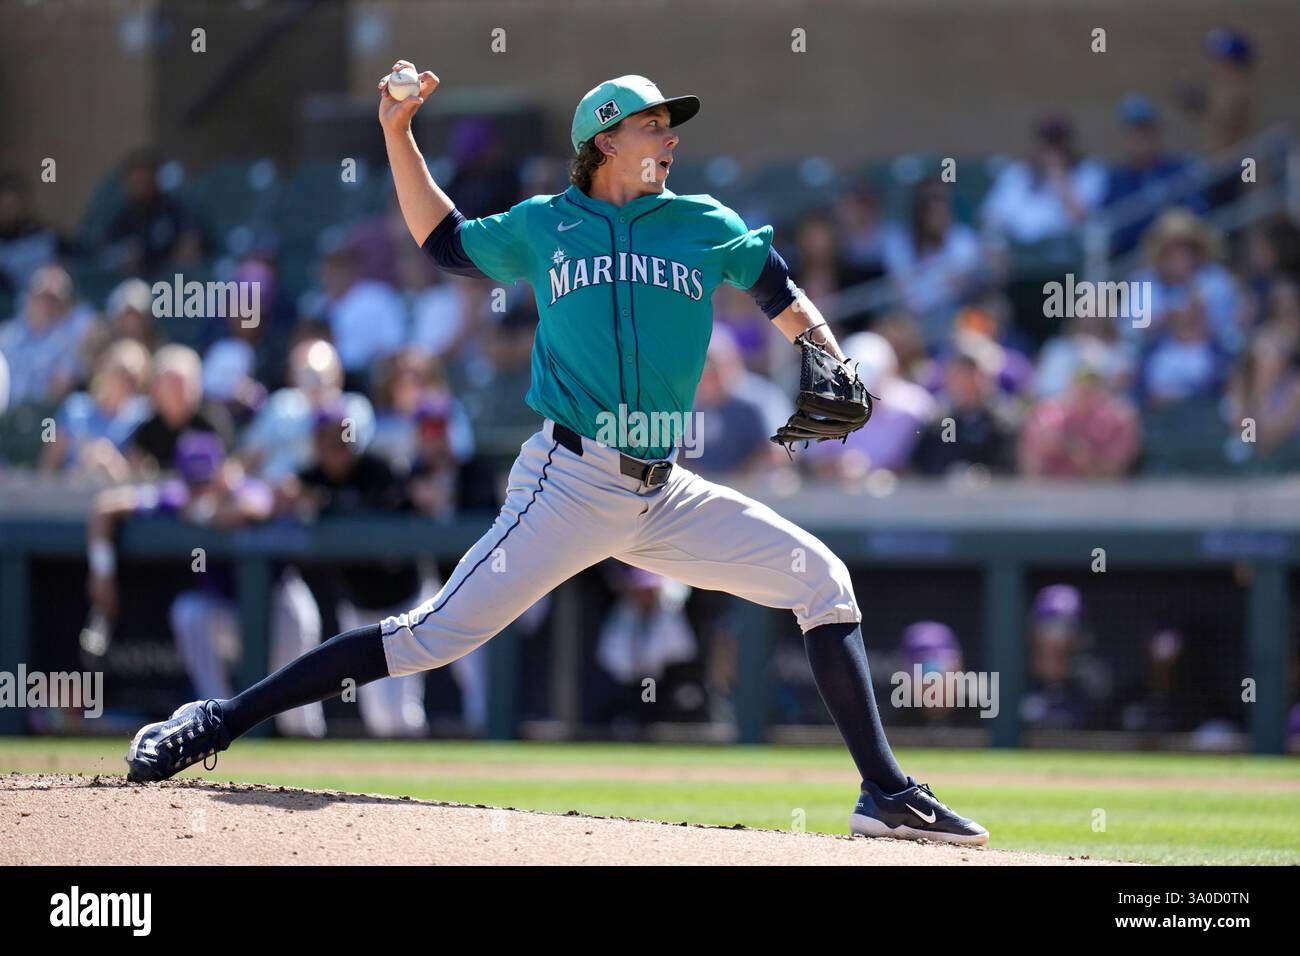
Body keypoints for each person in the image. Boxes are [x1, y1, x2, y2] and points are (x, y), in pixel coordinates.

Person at [123, 67, 987, 846]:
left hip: (664, 490)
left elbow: (777, 285)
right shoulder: (547, 224)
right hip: (566, 482)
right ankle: (216, 721)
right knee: (428, 638)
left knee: (822, 581)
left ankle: (885, 793)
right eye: (653, 124)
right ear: (605, 138)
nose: (671, 137)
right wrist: (397, 132)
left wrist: (825, 351)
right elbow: (444, 242)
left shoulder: (699, 222)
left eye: (671, 125)